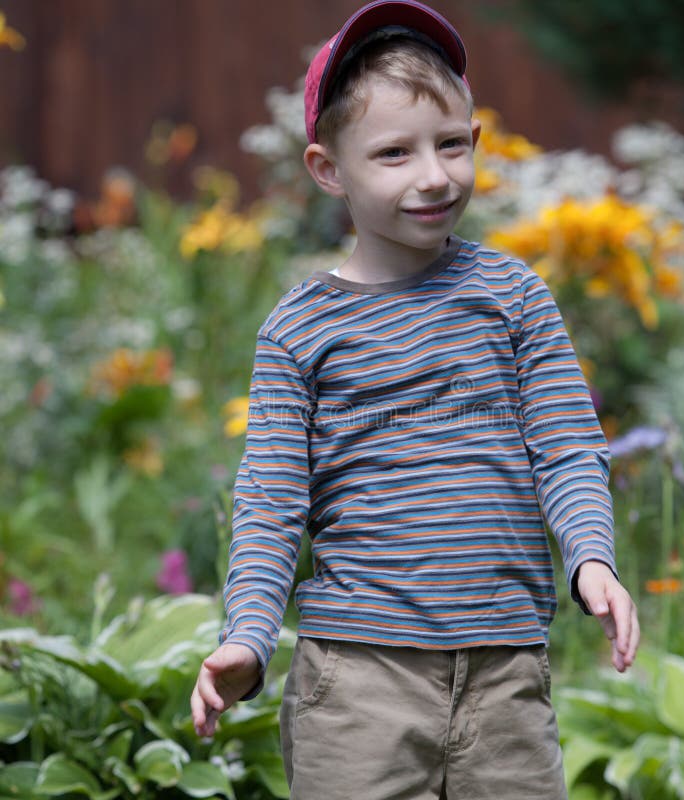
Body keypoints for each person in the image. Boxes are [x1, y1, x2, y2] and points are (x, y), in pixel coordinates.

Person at [191, 1, 640, 797]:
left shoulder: (512, 295)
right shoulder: (298, 331)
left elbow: (567, 444)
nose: (433, 176)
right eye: (393, 153)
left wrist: (591, 557)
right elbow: (269, 500)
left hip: (506, 675)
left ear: (476, 143)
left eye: (450, 145)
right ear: (329, 169)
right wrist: (249, 638)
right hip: (358, 684)